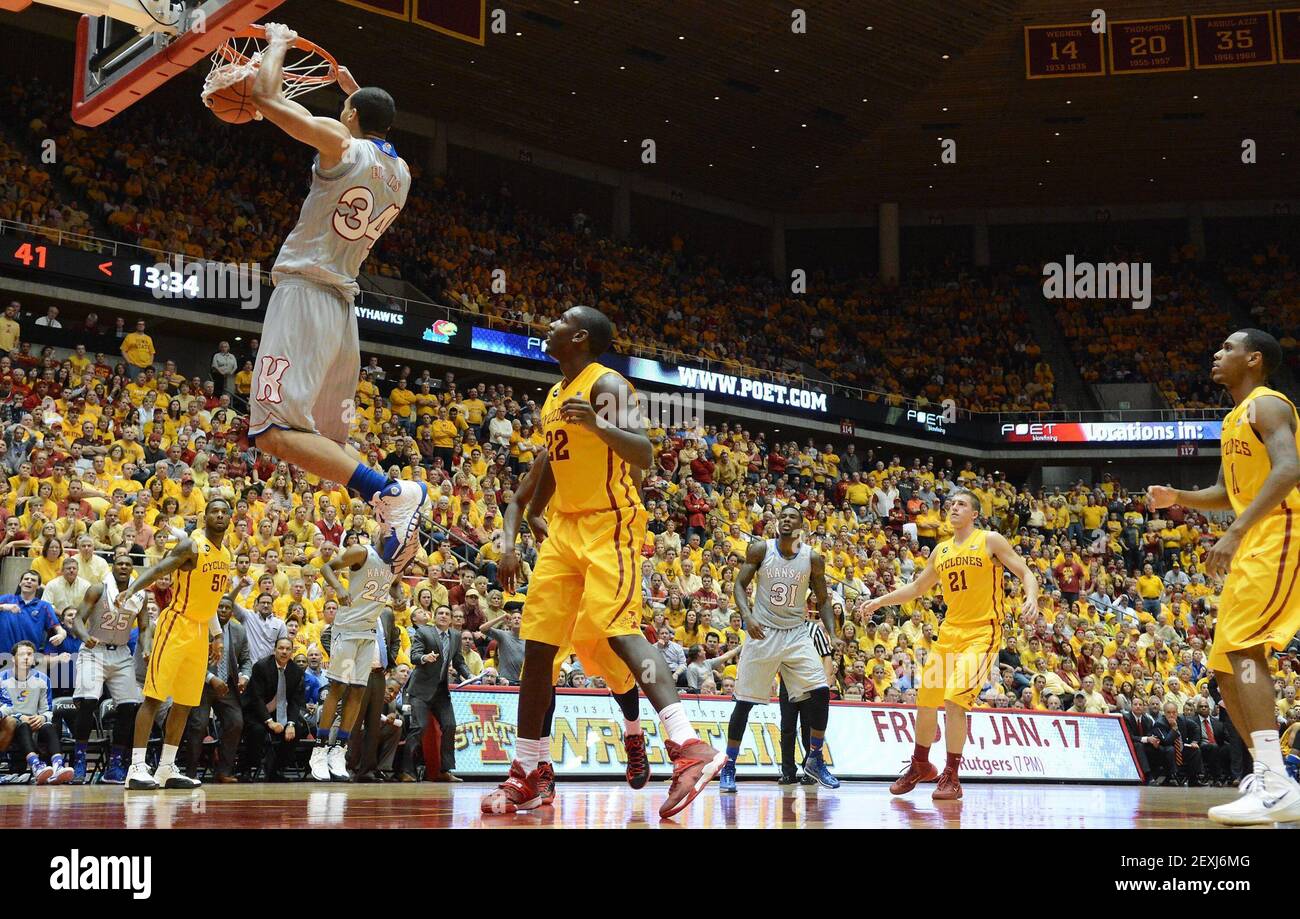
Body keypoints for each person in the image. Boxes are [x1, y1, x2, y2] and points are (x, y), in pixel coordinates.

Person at [481, 306, 724, 818]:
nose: (548, 323)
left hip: (610, 523)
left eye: (558, 319)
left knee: (618, 630)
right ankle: (530, 772)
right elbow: (537, 486)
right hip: (565, 531)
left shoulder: (606, 384)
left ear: (580, 336)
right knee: (538, 652)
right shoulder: (552, 398)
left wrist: (598, 423)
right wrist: (525, 523)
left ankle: (688, 747)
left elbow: (644, 453)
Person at [247, 24, 424, 574]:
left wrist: (277, 41)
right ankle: (394, 512)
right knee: (322, 440)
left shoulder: (341, 144)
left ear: (349, 116)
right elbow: (373, 120)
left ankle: (392, 493)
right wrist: (352, 91)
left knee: (272, 432)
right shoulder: (401, 172)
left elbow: (265, 98)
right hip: (341, 307)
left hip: (304, 295)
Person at [1148, 329, 1300, 824]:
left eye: (1228, 348)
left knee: (1245, 651)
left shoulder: (1268, 404)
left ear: (1254, 359)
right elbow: (1225, 489)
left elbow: (1288, 470)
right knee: (1225, 664)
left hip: (1279, 531)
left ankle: (1277, 782)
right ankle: (1266, 772)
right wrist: (1181, 497)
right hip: (1255, 534)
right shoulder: (1234, 417)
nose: (1217, 354)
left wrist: (1235, 533)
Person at [864, 489, 1039, 801]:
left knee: (955, 700)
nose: (954, 508)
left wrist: (1032, 597)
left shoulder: (990, 540)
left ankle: (952, 775)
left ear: (974, 513)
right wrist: (880, 601)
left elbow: (1026, 572)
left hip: (982, 633)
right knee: (926, 700)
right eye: (951, 504)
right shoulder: (941, 550)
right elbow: (917, 587)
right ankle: (920, 764)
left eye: (961, 505)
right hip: (949, 633)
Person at [720, 504, 839, 793]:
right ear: (777, 523)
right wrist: (747, 617)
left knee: (821, 691)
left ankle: (814, 758)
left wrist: (832, 633)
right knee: (744, 703)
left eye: (792, 517)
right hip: (763, 632)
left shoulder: (812, 558)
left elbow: (823, 600)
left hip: (796, 633)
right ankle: (729, 765)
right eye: (782, 516)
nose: (786, 520)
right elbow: (739, 585)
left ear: (801, 526)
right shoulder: (761, 549)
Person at [121, 498, 233, 790]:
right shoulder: (192, 546)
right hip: (176, 624)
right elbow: (160, 570)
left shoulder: (226, 554)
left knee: (184, 703)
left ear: (230, 518)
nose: (219, 515)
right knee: (155, 697)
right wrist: (133, 587)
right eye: (214, 511)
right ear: (204, 517)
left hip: (199, 631)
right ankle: (136, 768)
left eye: (224, 512)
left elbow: (209, 600)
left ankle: (166, 768)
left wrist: (217, 634)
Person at [309, 542, 398, 782]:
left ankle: (339, 749)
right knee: (338, 688)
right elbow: (327, 567)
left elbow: (395, 584)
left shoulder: (395, 561)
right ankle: (319, 750)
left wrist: (398, 596)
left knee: (358, 691)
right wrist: (338, 586)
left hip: (368, 633)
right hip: (347, 630)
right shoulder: (361, 551)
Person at [68, 555, 149, 784]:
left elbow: (144, 627)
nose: (124, 566)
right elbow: (77, 620)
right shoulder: (97, 589)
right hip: (94, 650)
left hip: (122, 652)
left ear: (132, 569)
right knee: (88, 702)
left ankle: (114, 765)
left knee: (129, 706)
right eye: (120, 563)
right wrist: (85, 636)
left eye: (128, 564)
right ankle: (79, 761)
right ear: (113, 567)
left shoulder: (139, 595)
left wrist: (147, 648)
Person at [184, 596, 250, 783]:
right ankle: (190, 773)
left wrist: (245, 676)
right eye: (219, 606)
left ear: (232, 611)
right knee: (198, 724)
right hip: (202, 683)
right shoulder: (202, 626)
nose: (222, 610)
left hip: (227, 685)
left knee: (236, 722)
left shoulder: (239, 630)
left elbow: (246, 660)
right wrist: (211, 679)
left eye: (226, 607)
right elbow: (191, 659)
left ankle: (223, 771)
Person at [407, 604, 468, 781]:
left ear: (451, 619)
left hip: (441, 690)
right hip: (421, 689)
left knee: (450, 725)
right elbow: (414, 656)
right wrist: (425, 658)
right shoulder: (424, 632)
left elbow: (458, 661)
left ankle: (444, 771)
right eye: (440, 613)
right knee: (418, 728)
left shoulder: (455, 636)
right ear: (434, 617)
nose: (443, 616)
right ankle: (407, 771)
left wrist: (470, 675)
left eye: (447, 614)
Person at [0, 640, 73, 783]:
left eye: (29, 654)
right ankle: (36, 765)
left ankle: (58, 765)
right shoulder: (2, 679)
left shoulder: (43, 679)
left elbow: (48, 710)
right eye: (21, 654)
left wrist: (42, 718)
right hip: (12, 723)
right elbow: (5, 706)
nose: (26, 657)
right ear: (13, 659)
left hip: (35, 723)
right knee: (22, 725)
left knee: (49, 725)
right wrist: (21, 716)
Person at [243, 637, 306, 781]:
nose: (284, 652)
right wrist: (269, 722)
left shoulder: (296, 671)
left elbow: (296, 701)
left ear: (292, 652)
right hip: (256, 711)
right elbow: (256, 698)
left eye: (287, 649)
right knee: (257, 730)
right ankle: (246, 769)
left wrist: (290, 724)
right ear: (274, 650)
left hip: (280, 711)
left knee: (297, 730)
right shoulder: (261, 666)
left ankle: (276, 770)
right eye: (281, 648)